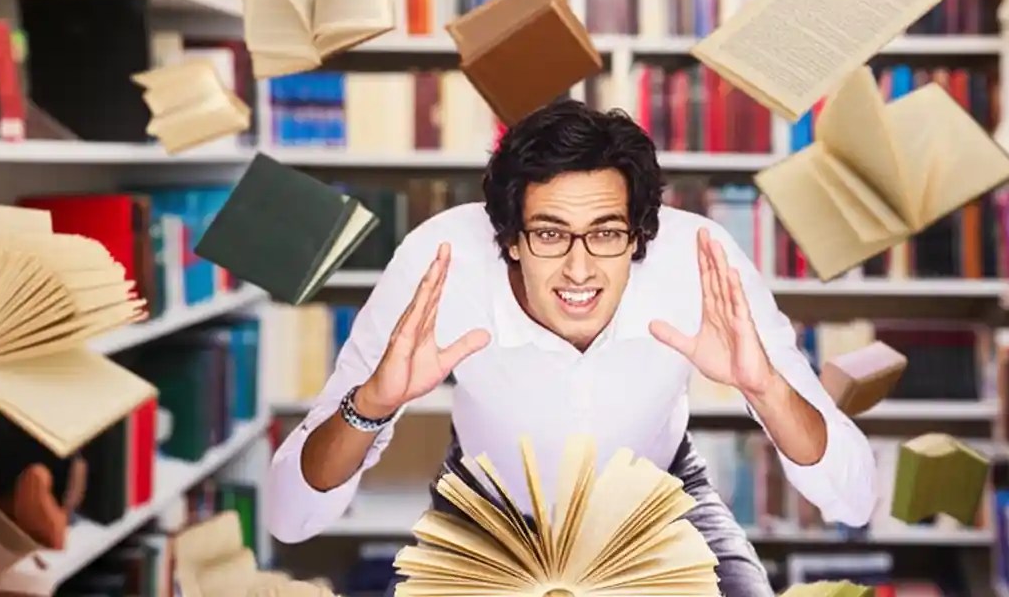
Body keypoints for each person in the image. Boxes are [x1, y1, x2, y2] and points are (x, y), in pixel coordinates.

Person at [265, 100, 878, 596]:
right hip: (489, 512)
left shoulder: (701, 261)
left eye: (607, 234)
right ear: (509, 238)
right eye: (550, 234)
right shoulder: (440, 263)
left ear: (639, 235)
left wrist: (766, 387)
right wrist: (371, 403)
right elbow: (289, 519)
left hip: (660, 500)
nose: (579, 269)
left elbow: (852, 498)